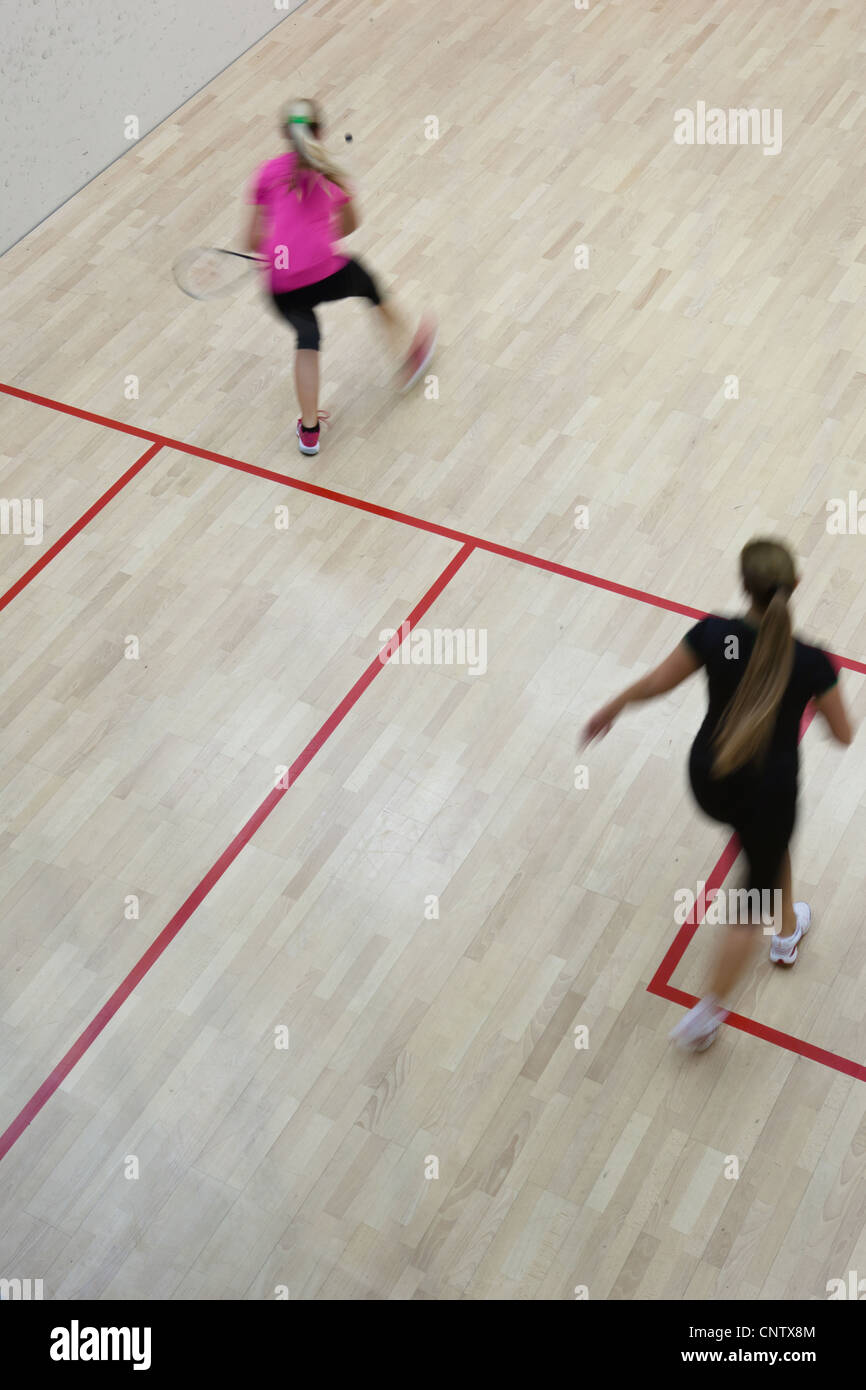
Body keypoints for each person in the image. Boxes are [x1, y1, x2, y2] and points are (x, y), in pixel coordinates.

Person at [584, 538, 854, 1052]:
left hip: (709, 778)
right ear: (795, 587)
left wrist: (613, 705)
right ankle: (706, 1015)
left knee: (766, 850)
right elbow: (844, 737)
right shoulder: (811, 662)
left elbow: (659, 682)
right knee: (750, 899)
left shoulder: (715, 635)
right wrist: (812, 702)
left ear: (744, 586)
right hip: (766, 795)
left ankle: (790, 925)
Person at [244, 98, 436, 456]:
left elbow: (251, 239)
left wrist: (277, 248)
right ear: (321, 130)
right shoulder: (331, 171)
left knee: (307, 336)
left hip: (282, 285)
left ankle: (310, 432)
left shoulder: (266, 172)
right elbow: (349, 226)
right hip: (325, 274)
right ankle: (410, 355)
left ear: (285, 134)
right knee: (368, 285)